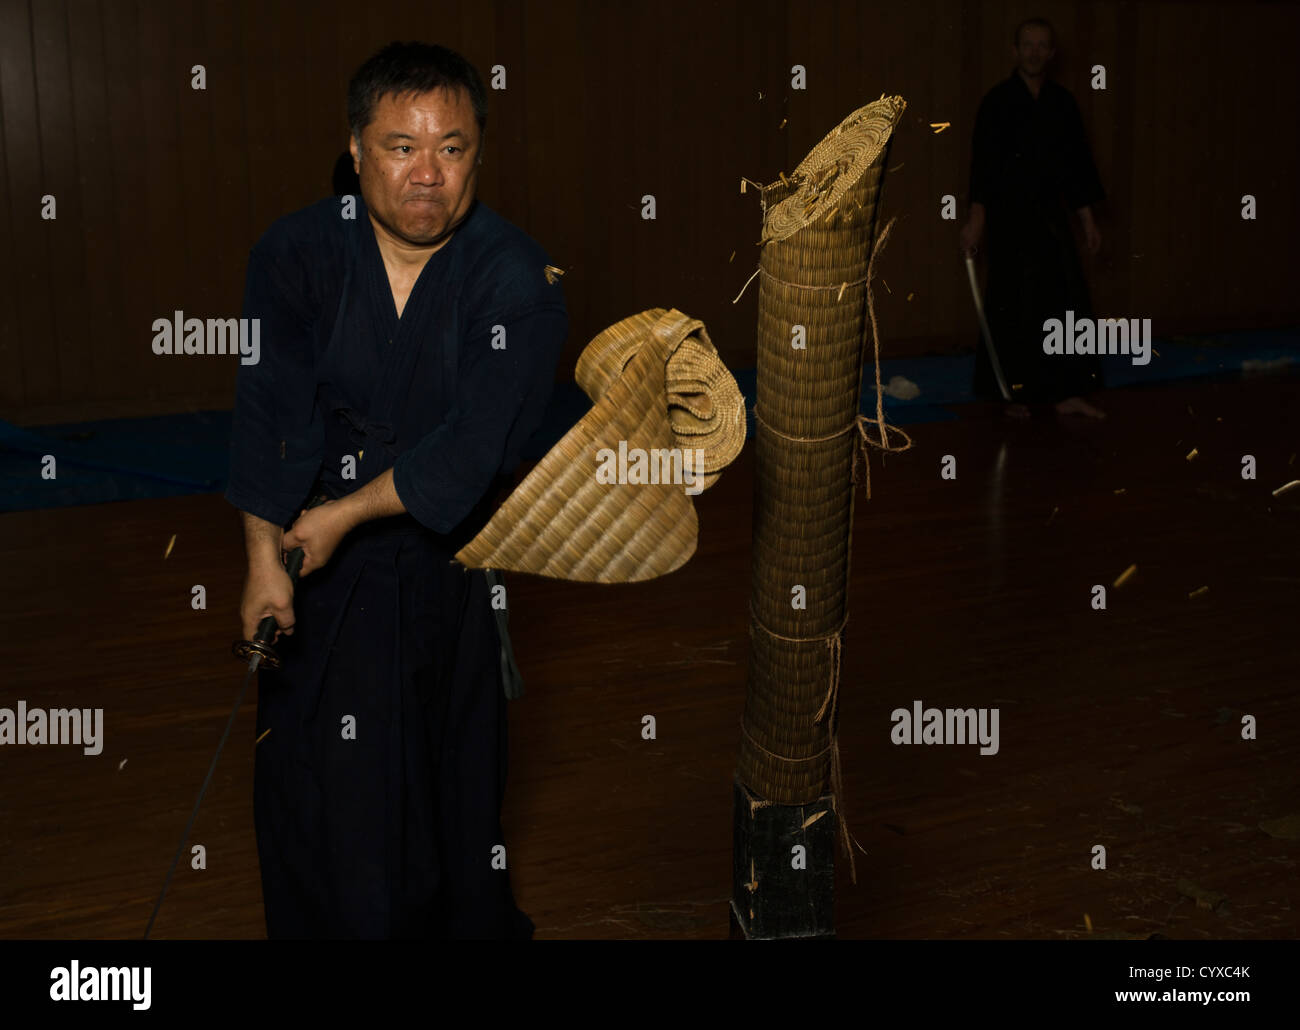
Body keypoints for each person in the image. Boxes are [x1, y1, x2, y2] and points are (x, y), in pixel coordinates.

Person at [225, 41, 568, 938]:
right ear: (354, 148)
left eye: (451, 148)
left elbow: (471, 450)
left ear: (477, 156)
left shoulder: (518, 282)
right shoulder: (295, 253)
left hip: (446, 571)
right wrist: (264, 559)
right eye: (400, 147)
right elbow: (269, 411)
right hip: (317, 574)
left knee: (447, 793)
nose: (428, 175)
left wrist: (342, 512)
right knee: (316, 789)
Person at [959, 17, 1107, 419]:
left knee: (1065, 303)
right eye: (1028, 44)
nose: (1035, 52)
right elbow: (984, 168)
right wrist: (976, 220)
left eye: (1043, 45)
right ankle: (1014, 394)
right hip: (1009, 218)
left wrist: (1088, 220)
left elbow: (1077, 166)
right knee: (1015, 304)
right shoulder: (997, 101)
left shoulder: (1063, 103)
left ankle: (1067, 391)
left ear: (1052, 54)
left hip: (1052, 219)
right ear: (1015, 50)